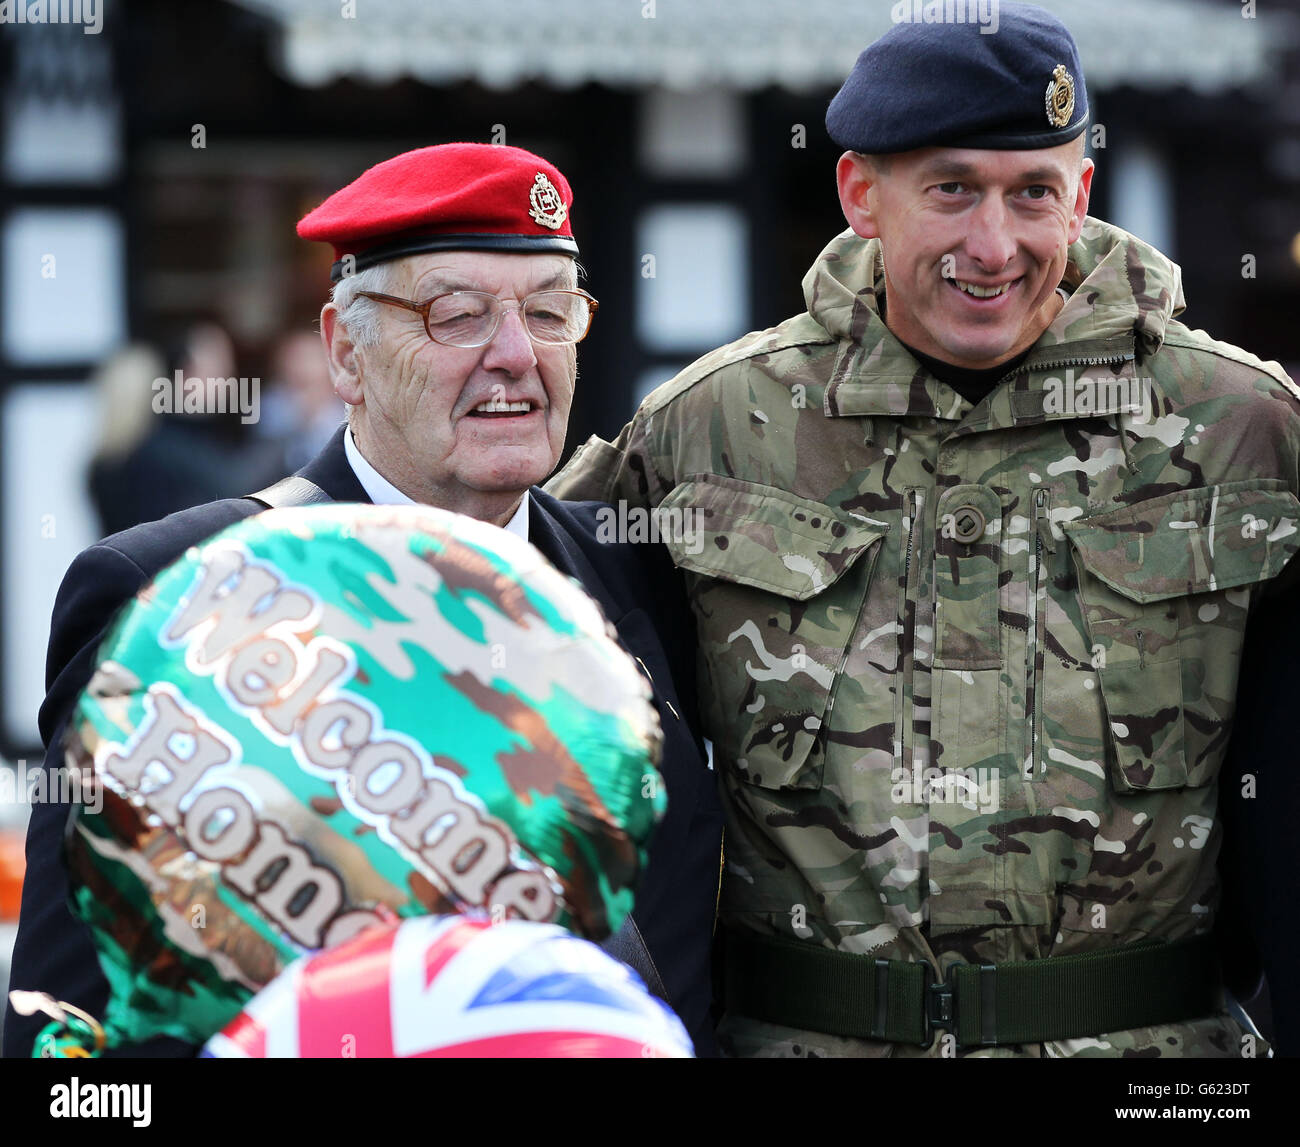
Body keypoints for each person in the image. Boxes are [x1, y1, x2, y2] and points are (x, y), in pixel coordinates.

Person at [548, 4, 1299, 1057]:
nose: (991, 247)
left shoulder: (1242, 428)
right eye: (950, 190)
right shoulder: (710, 428)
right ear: (862, 194)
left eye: (1033, 192)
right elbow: (532, 660)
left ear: (1079, 195)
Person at [3, 143, 723, 1058]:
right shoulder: (183, 591)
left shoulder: (643, 577)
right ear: (347, 352)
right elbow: (71, 1028)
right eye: (456, 315)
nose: (516, 355)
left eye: (550, 312)